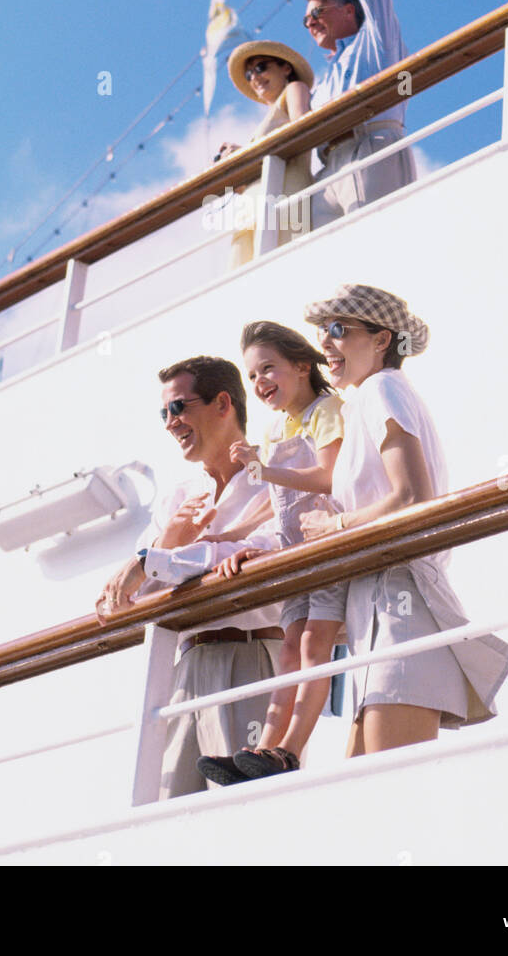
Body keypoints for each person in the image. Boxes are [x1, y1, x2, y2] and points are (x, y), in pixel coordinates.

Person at [298, 283, 508, 758]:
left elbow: (412, 495)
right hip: (379, 609)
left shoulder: (383, 387)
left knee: (384, 798)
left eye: (338, 329)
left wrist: (333, 527)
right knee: (364, 795)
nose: (324, 343)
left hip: (399, 605)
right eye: (320, 332)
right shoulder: (366, 401)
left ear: (381, 340)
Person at [95, 356, 283, 799]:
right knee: (168, 815)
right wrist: (168, 542)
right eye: (164, 413)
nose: (169, 423)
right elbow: (117, 600)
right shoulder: (178, 498)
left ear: (223, 403)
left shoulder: (274, 476)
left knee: (249, 812)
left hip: (252, 657)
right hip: (181, 670)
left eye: (178, 408)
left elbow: (267, 550)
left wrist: (159, 558)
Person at [195, 321, 345, 784]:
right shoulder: (279, 426)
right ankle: (260, 751)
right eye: (253, 375)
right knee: (288, 653)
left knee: (314, 646)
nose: (260, 383)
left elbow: (326, 478)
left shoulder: (327, 410)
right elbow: (272, 497)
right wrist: (230, 533)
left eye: (268, 368)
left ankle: (290, 750)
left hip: (325, 544)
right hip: (291, 552)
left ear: (302, 366)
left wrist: (262, 468)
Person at [264, 0, 417, 227]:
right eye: (306, 19)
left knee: (375, 247)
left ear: (349, 10)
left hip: (370, 147)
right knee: (317, 258)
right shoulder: (322, 85)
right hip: (327, 166)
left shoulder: (378, 41)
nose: (311, 22)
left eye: (317, 12)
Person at [215, 41, 314, 267]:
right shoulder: (262, 123)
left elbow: (305, 129)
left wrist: (247, 153)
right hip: (254, 208)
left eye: (261, 68)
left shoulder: (294, 89)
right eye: (249, 74)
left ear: (285, 68)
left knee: (288, 265)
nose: (254, 78)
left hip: (285, 196)